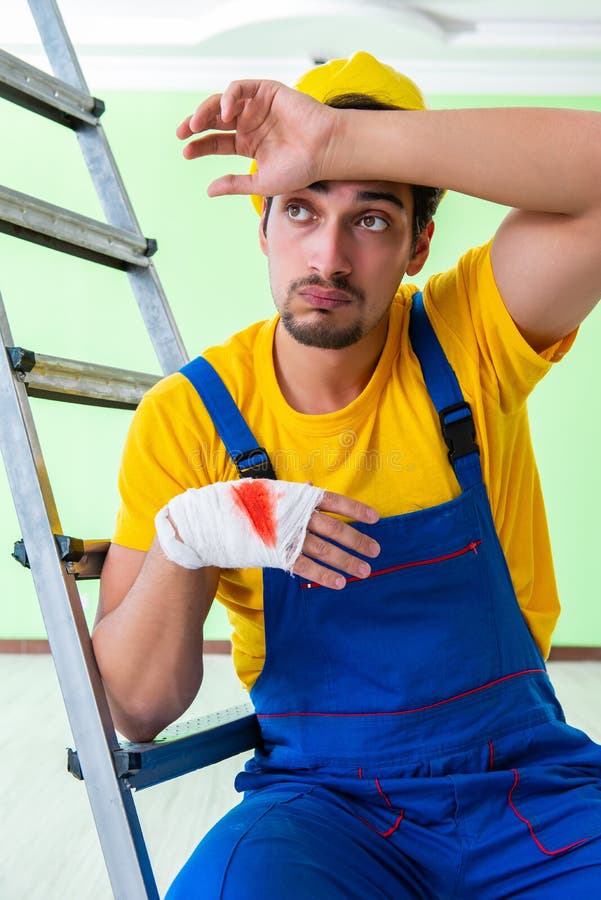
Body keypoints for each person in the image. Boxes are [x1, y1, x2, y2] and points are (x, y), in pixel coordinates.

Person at [93, 51, 601, 898]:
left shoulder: (469, 335)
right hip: (324, 810)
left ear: (417, 244)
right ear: (260, 224)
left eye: (370, 218)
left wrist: (336, 139)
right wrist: (188, 536)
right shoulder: (189, 419)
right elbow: (138, 709)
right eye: (299, 209)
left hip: (526, 790)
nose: (326, 256)